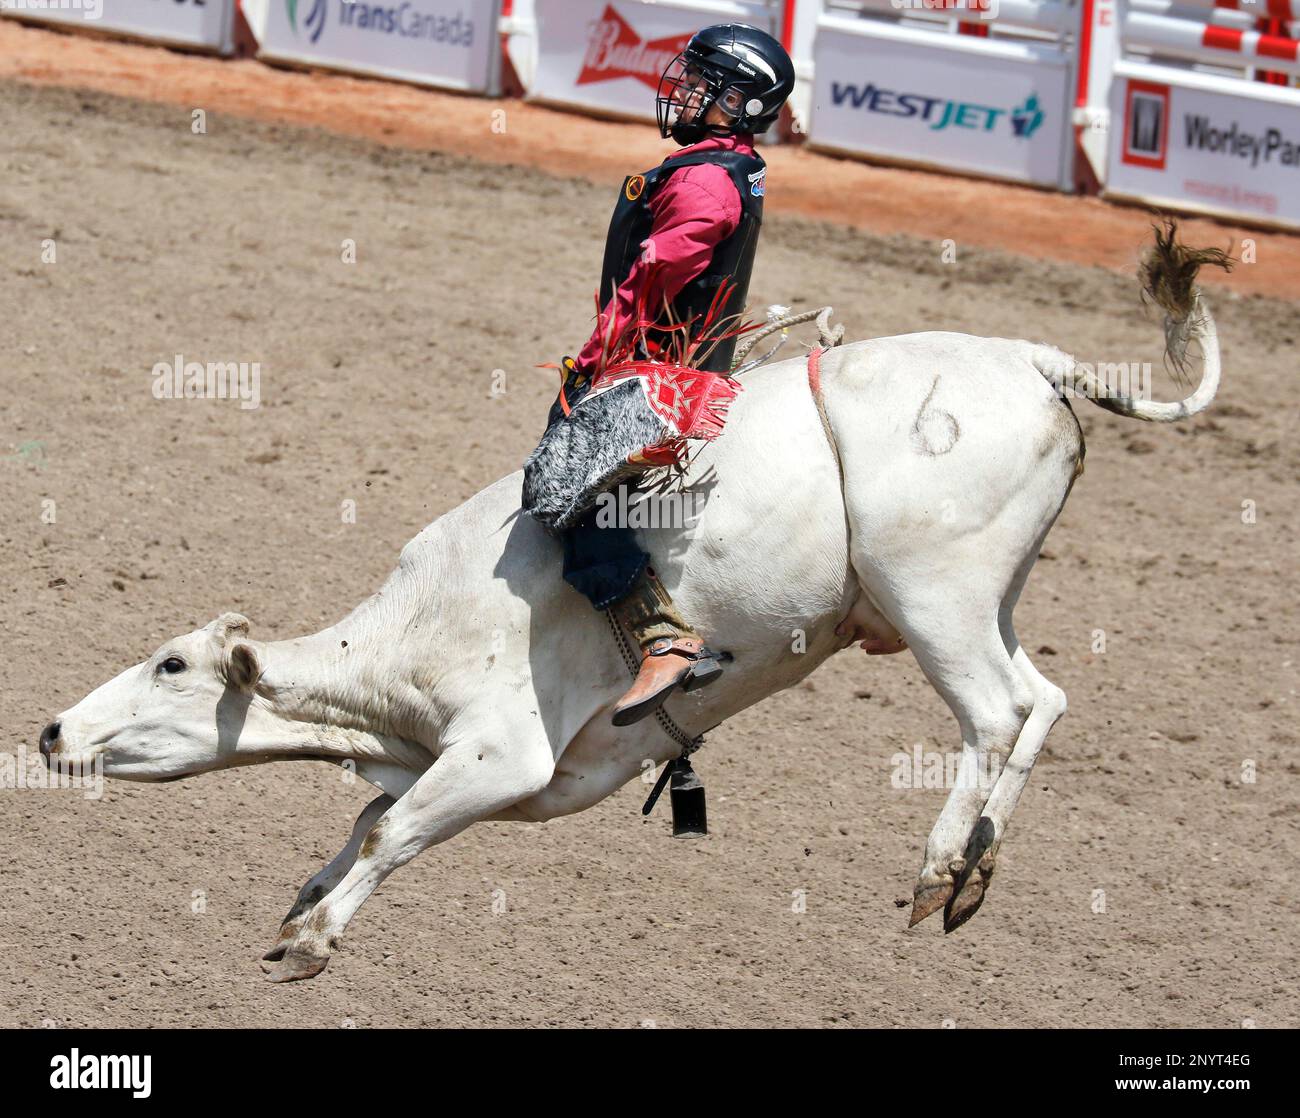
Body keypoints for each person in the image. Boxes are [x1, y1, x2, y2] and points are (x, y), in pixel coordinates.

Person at [544, 23, 795, 727]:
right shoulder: (728, 167)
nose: (682, 92)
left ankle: (661, 636)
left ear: (737, 102)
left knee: (561, 483)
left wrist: (593, 364)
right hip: (684, 364)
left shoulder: (706, 184)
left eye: (701, 85)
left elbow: (654, 279)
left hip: (658, 375)